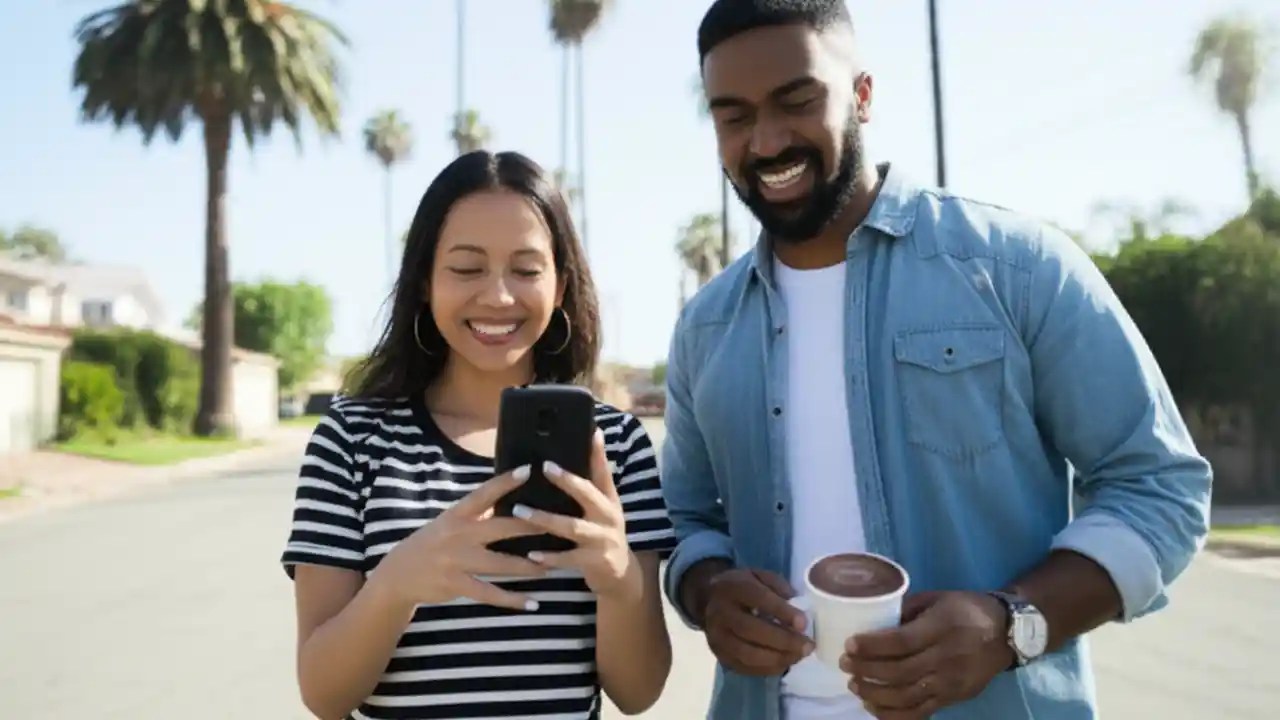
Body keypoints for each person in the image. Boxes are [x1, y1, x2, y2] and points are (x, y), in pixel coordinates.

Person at [660, 1, 1213, 719]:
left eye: (797, 101)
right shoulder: (705, 329)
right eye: (733, 116)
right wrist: (706, 590)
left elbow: (1160, 487)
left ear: (861, 95)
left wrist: (1010, 624)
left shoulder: (1017, 269)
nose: (766, 141)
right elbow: (682, 519)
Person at [280, 150, 675, 720]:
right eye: (467, 268)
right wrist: (396, 583)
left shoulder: (615, 445)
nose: (498, 296)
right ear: (424, 282)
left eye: (526, 269)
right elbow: (324, 694)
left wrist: (618, 584)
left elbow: (638, 693)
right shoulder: (351, 441)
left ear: (561, 284)